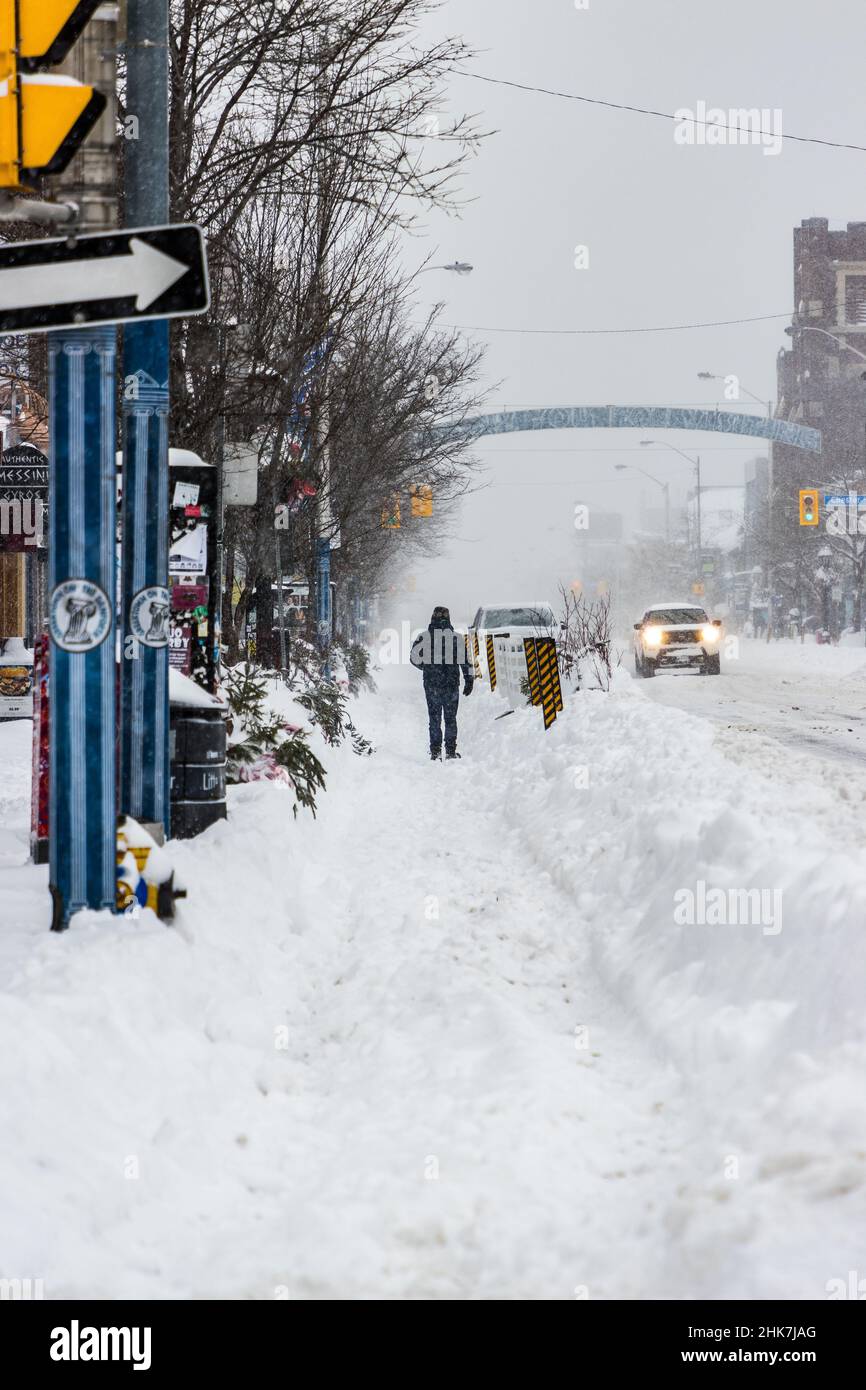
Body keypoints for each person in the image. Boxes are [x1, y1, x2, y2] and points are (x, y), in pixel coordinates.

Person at [410, 605, 474, 759]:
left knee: (434, 717)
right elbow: (465, 661)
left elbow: (413, 658)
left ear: (432, 618)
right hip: (451, 684)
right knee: (450, 719)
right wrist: (469, 680)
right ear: (448, 619)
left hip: (431, 684)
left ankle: (435, 751)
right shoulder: (456, 638)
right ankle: (450, 751)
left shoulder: (424, 637)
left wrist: (426, 667)